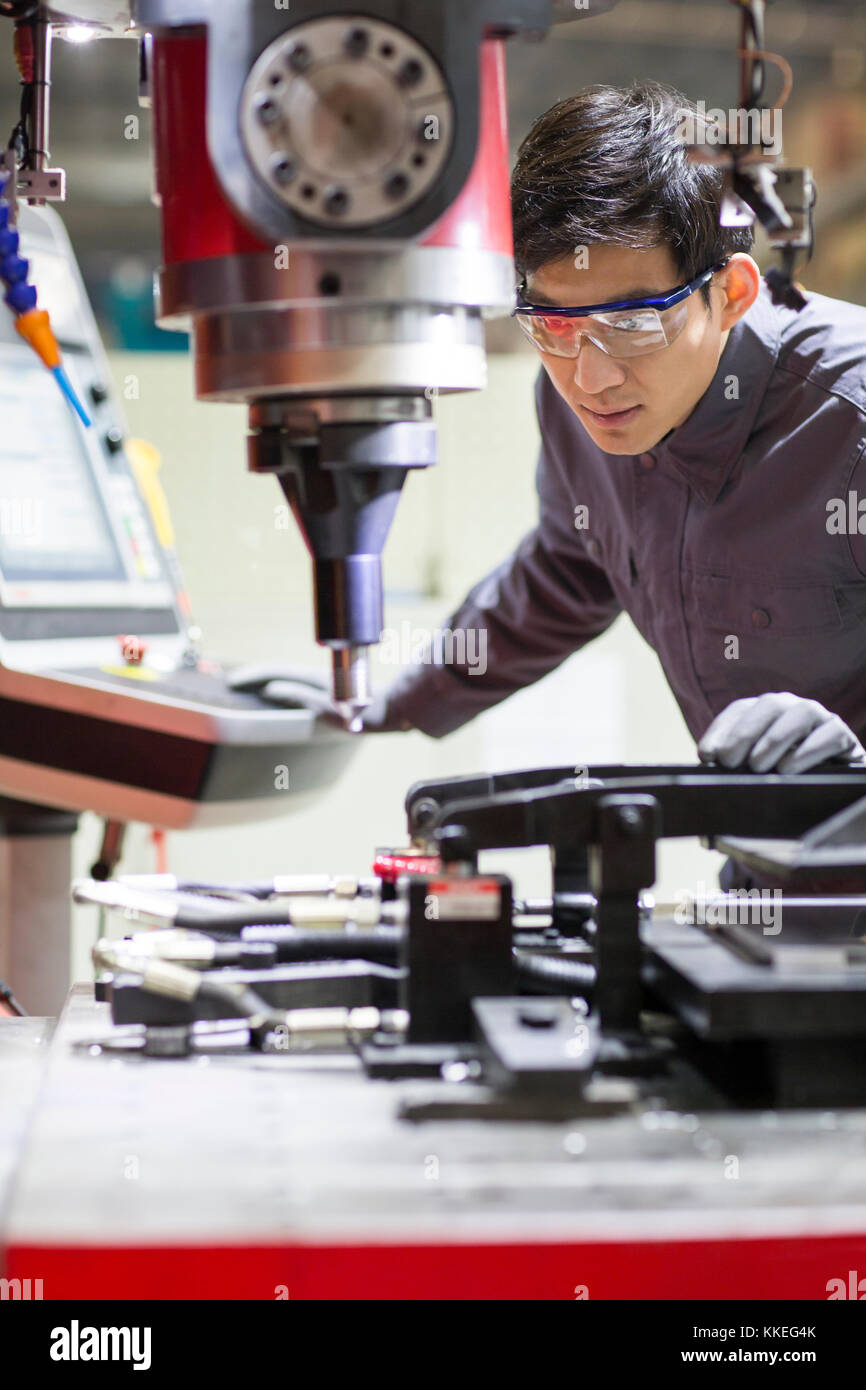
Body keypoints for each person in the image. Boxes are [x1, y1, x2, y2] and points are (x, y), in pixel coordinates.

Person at [363, 80, 866, 776]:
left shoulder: (849, 427)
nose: (589, 380)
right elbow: (565, 570)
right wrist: (384, 703)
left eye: (632, 325)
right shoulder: (575, 404)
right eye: (552, 325)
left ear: (733, 293)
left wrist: (854, 764)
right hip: (759, 864)